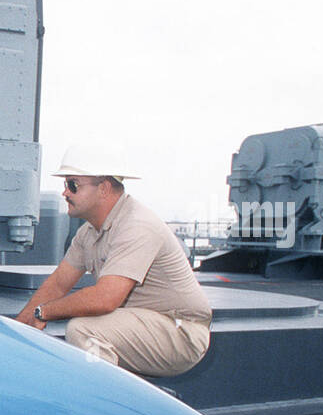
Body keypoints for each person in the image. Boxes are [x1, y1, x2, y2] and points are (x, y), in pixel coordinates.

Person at [15, 146, 213, 378]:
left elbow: (105, 299)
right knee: (87, 327)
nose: (65, 193)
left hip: (180, 331)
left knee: (84, 330)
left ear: (104, 188)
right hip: (144, 322)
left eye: (73, 185)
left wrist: (42, 313)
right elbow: (59, 283)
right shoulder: (88, 232)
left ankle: (100, 406)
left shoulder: (137, 225)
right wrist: (19, 327)